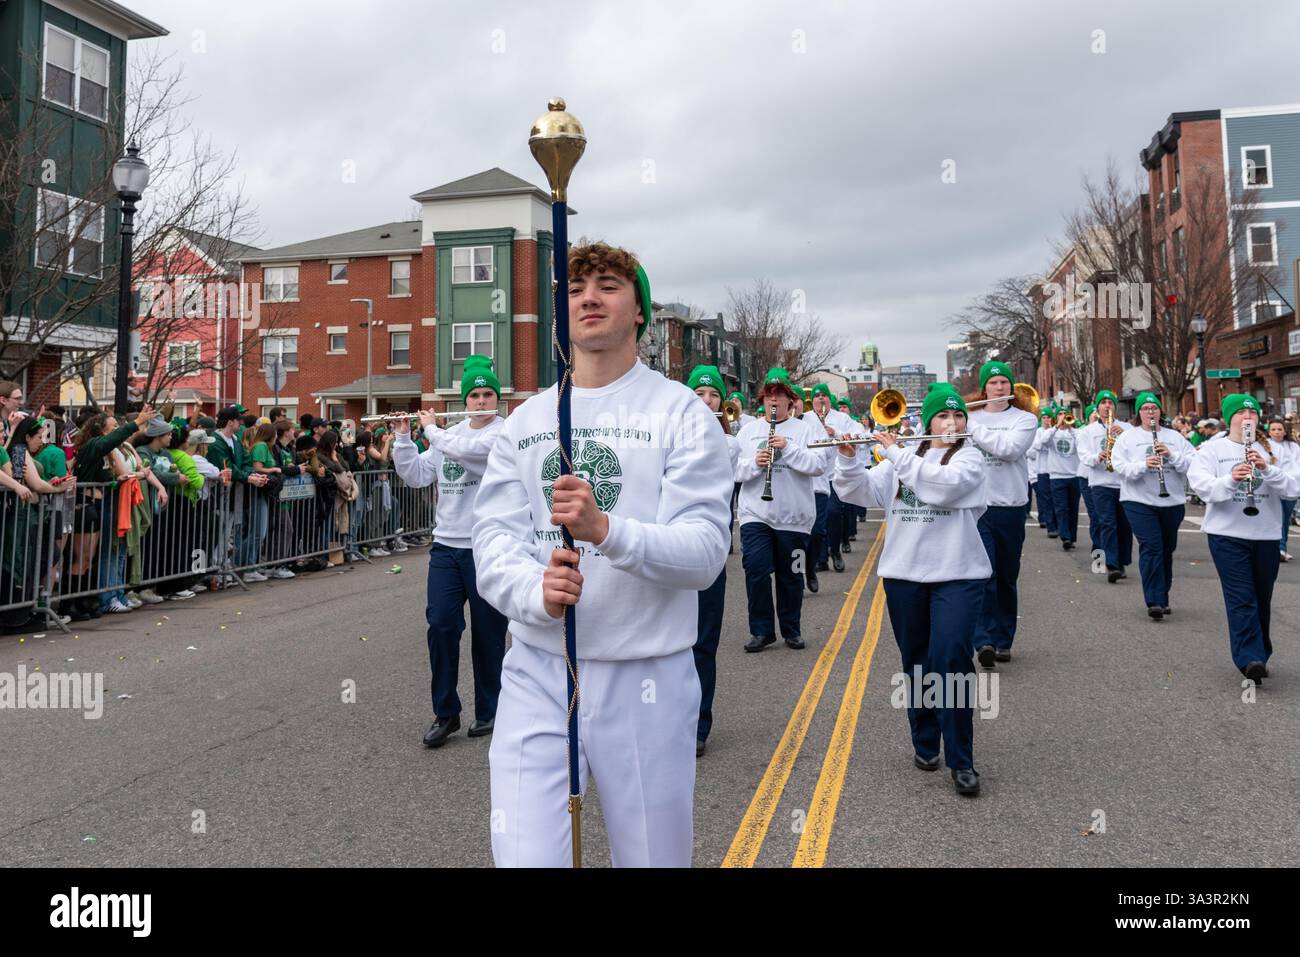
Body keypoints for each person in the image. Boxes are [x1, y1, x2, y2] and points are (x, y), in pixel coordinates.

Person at [472, 241, 730, 867]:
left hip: (646, 675)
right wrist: (534, 591)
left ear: (639, 309)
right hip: (538, 668)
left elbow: (704, 553)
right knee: (526, 857)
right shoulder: (526, 419)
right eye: (576, 288)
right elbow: (494, 540)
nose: (589, 296)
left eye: (609, 285)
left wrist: (607, 531)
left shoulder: (681, 414)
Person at [832, 383, 989, 796]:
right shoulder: (906, 457)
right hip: (904, 575)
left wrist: (895, 453)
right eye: (943, 416)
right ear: (929, 421)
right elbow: (858, 493)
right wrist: (849, 461)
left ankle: (961, 758)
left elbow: (943, 487)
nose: (951, 423)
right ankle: (924, 740)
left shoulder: (970, 458)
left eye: (958, 417)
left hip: (959, 574)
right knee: (916, 660)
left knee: (951, 658)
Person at [393, 356, 508, 749]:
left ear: (497, 397)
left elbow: (471, 454)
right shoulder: (449, 434)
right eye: (473, 395)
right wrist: (404, 438)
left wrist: (431, 430)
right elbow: (416, 475)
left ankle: (490, 709)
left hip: (487, 546)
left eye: (487, 394)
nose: (479, 401)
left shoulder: (503, 435)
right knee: (441, 626)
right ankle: (446, 712)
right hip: (446, 547)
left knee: (489, 633)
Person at [1186, 394, 1300, 682]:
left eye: (1252, 413)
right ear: (1230, 417)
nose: (1248, 417)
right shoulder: (1212, 450)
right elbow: (1203, 487)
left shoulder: (1275, 449)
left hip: (1266, 534)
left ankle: (1260, 650)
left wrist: (1266, 468)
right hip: (1227, 534)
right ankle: (1249, 657)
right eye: (1241, 413)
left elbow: (1293, 487)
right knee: (1242, 598)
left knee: (1261, 597)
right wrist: (1232, 478)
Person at [735, 367, 827, 652]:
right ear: (762, 401)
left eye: (779, 397)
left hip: (794, 518)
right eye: (768, 397)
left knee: (790, 576)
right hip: (755, 514)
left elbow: (819, 465)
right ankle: (762, 631)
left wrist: (788, 448)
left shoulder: (807, 429)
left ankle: (791, 629)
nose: (773, 402)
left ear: (791, 400)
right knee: (757, 570)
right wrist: (755, 464)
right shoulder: (749, 432)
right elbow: (733, 471)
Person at [685, 364, 741, 757]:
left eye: (713, 396)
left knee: (703, 643)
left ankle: (699, 723)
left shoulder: (729, 445)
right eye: (699, 395)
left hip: (708, 554)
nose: (705, 401)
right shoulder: (669, 436)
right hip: (668, 551)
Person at [966, 361, 1037, 667]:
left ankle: (1004, 639)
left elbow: (1008, 450)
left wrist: (972, 427)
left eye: (1004, 383)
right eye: (993, 383)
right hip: (976, 507)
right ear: (985, 387)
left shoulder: (1024, 419)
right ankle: (983, 640)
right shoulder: (967, 417)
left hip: (1010, 505)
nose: (999, 387)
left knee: (1007, 576)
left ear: (1011, 387)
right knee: (985, 574)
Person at [1112, 392, 1195, 621]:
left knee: (1166, 549)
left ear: (1161, 411)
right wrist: (1143, 464)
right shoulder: (1127, 438)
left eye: (1154, 408)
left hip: (1172, 501)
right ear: (1138, 413)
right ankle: (1154, 600)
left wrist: (1172, 455)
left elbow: (1193, 464)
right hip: (1138, 500)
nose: (1150, 412)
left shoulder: (1175, 437)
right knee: (1152, 547)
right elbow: (1119, 467)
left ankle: (1163, 593)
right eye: (1145, 408)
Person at [205, 406, 269, 585]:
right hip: (218, 496)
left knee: (227, 533)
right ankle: (214, 568)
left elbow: (246, 461)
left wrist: (253, 474)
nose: (240, 423)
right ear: (230, 422)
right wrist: (249, 478)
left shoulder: (235, 439)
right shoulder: (216, 442)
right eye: (237, 420)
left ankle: (222, 566)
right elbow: (227, 468)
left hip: (233, 495)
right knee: (218, 532)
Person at [1078, 390, 1133, 584]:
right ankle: (1112, 564)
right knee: (1107, 522)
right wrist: (1097, 457)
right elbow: (1083, 456)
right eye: (1104, 403)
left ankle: (1123, 561)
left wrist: (1125, 435)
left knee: (1125, 525)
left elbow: (1137, 451)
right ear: (1097, 407)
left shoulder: (1127, 428)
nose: (1107, 406)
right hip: (1100, 483)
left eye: (1111, 403)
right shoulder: (1088, 431)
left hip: (1124, 483)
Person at [807, 384, 855, 578]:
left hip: (835, 475)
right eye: (817, 396)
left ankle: (834, 550)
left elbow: (855, 437)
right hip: (815, 477)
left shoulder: (842, 418)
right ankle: (820, 559)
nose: (820, 399)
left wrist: (833, 432)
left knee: (834, 514)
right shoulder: (806, 418)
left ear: (829, 399)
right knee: (816, 524)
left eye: (824, 395)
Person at [1036, 405, 1080, 550]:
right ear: (1056, 417)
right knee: (1061, 508)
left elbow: (1081, 445)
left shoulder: (1076, 433)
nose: (1063, 416)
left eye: (1065, 414)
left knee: (1073, 509)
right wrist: (1056, 427)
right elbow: (1043, 442)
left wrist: (1071, 427)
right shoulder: (1050, 432)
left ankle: (1072, 536)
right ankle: (1065, 537)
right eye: (1060, 414)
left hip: (1074, 475)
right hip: (1056, 476)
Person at [1267, 417, 1298, 561]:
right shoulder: (1265, 445)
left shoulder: (1294, 447)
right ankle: (1278, 549)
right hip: (1274, 487)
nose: (1276, 432)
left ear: (1285, 431)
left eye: (1279, 429)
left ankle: (1282, 548)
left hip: (1291, 487)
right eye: (1273, 429)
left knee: (1285, 519)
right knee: (1277, 519)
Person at [1034, 406, 1057, 535]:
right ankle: (1050, 526)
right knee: (1046, 499)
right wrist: (1045, 441)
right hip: (1042, 469)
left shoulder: (1055, 431)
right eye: (1044, 417)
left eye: (1048, 417)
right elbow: (1037, 446)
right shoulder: (1038, 431)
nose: (1046, 420)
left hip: (1054, 470)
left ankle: (1056, 523)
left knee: (1055, 499)